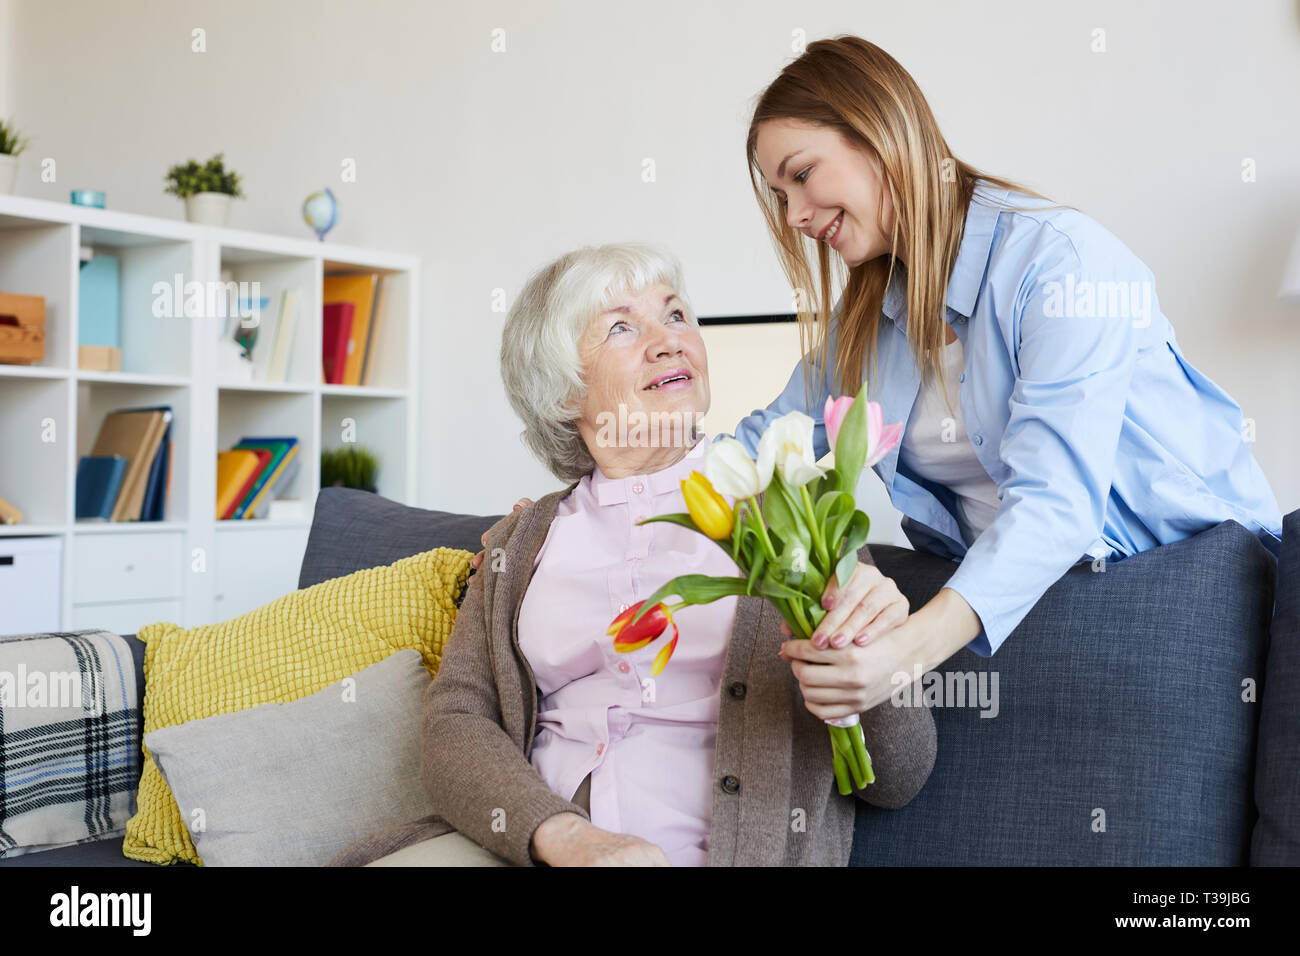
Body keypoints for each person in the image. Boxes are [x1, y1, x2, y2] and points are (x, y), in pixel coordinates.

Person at [718, 34, 1283, 710]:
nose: (797, 217)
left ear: (879, 134)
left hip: (1185, 595)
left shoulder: (1061, 266)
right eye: (781, 196)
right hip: (1029, 613)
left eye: (802, 175)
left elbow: (1056, 503)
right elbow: (764, 446)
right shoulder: (869, 315)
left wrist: (906, 652)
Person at [329, 243, 935, 868]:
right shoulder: (521, 541)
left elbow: (898, 776)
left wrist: (880, 657)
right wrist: (561, 835)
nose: (668, 341)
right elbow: (457, 722)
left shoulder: (792, 510)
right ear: (564, 390)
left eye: (676, 316)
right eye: (622, 326)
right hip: (531, 848)